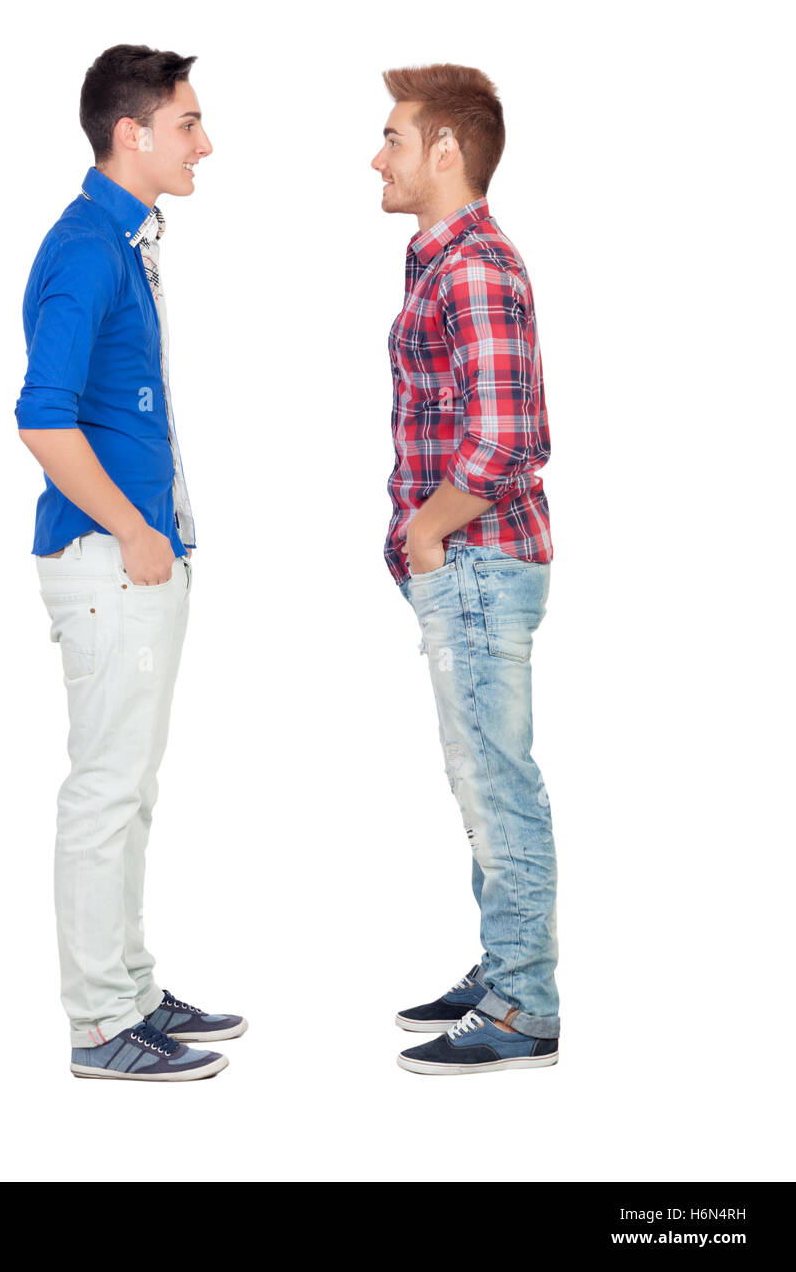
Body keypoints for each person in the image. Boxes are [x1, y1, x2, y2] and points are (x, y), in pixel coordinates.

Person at [15, 44, 246, 1081]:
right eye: (188, 122)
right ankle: (103, 1027)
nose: (205, 142)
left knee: (129, 788)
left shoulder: (124, 242)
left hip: (136, 562)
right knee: (105, 790)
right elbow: (41, 418)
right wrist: (140, 532)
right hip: (111, 564)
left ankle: (133, 990)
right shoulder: (87, 249)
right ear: (131, 133)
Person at [371, 63, 559, 1075]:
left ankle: (524, 1005)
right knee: (480, 778)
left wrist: (427, 534)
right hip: (465, 566)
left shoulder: (475, 265)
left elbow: (504, 442)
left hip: (479, 564)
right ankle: (503, 970)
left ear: (447, 150)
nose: (378, 156)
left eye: (394, 138)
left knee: (498, 782)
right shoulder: (437, 260)